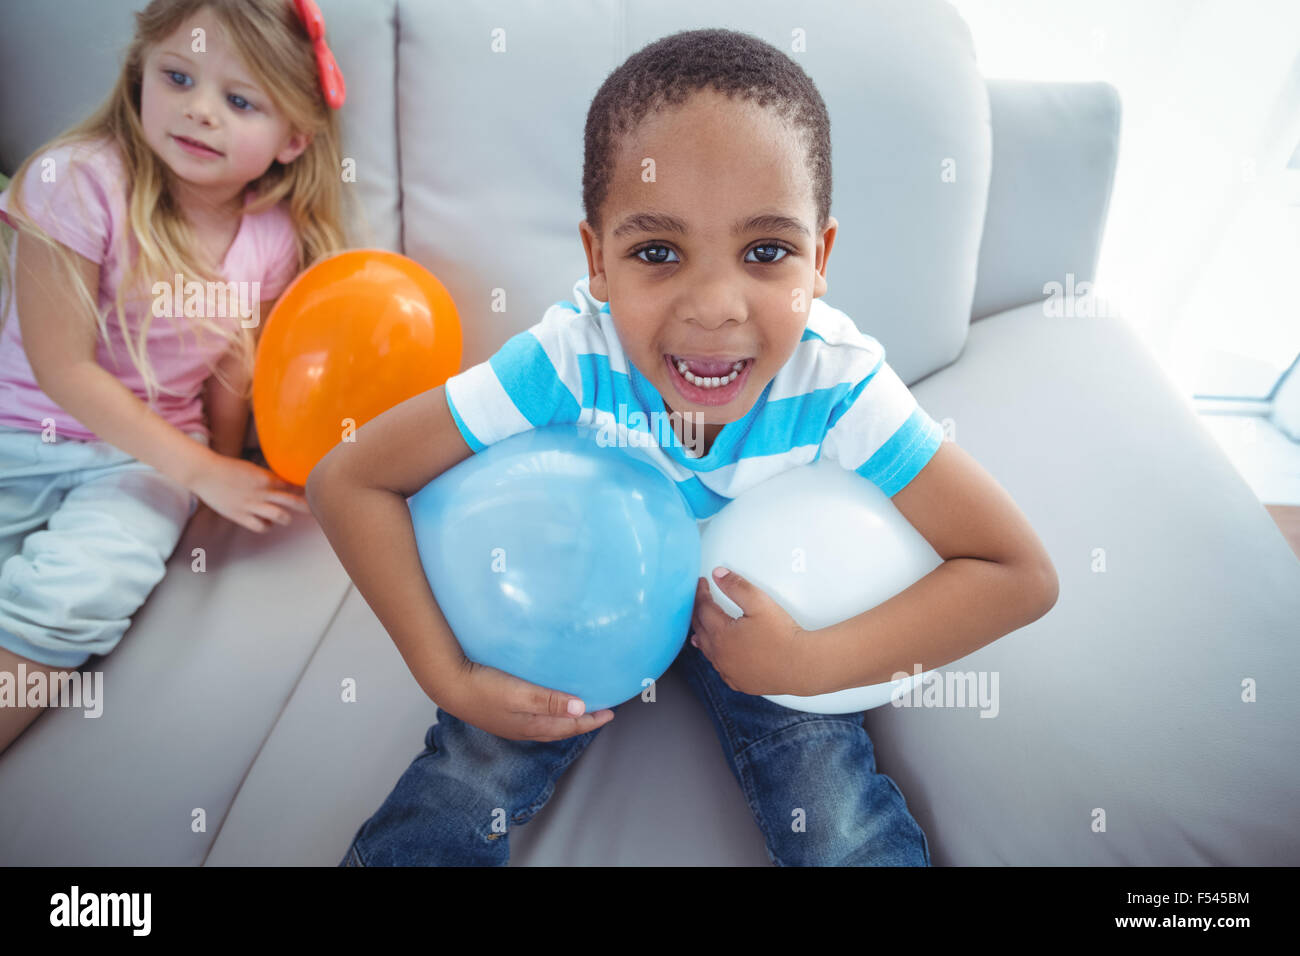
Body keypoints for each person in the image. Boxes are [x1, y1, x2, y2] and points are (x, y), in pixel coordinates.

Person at [308, 28, 1059, 866]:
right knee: (463, 785)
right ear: (597, 260)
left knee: (839, 822)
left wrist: (808, 662)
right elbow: (349, 480)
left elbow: (1017, 574)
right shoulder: (567, 360)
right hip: (579, 608)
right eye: (657, 252)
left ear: (820, 260)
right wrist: (449, 677)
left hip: (768, 624)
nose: (715, 307)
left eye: (767, 252)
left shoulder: (839, 383)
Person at [0, 0, 351, 753]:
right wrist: (204, 469)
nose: (199, 112)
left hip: (139, 465)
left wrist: (227, 463)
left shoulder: (270, 237)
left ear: (293, 137)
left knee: (85, 586)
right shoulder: (78, 181)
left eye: (239, 99)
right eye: (179, 77)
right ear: (140, 74)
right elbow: (61, 368)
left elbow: (230, 366)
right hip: (19, 431)